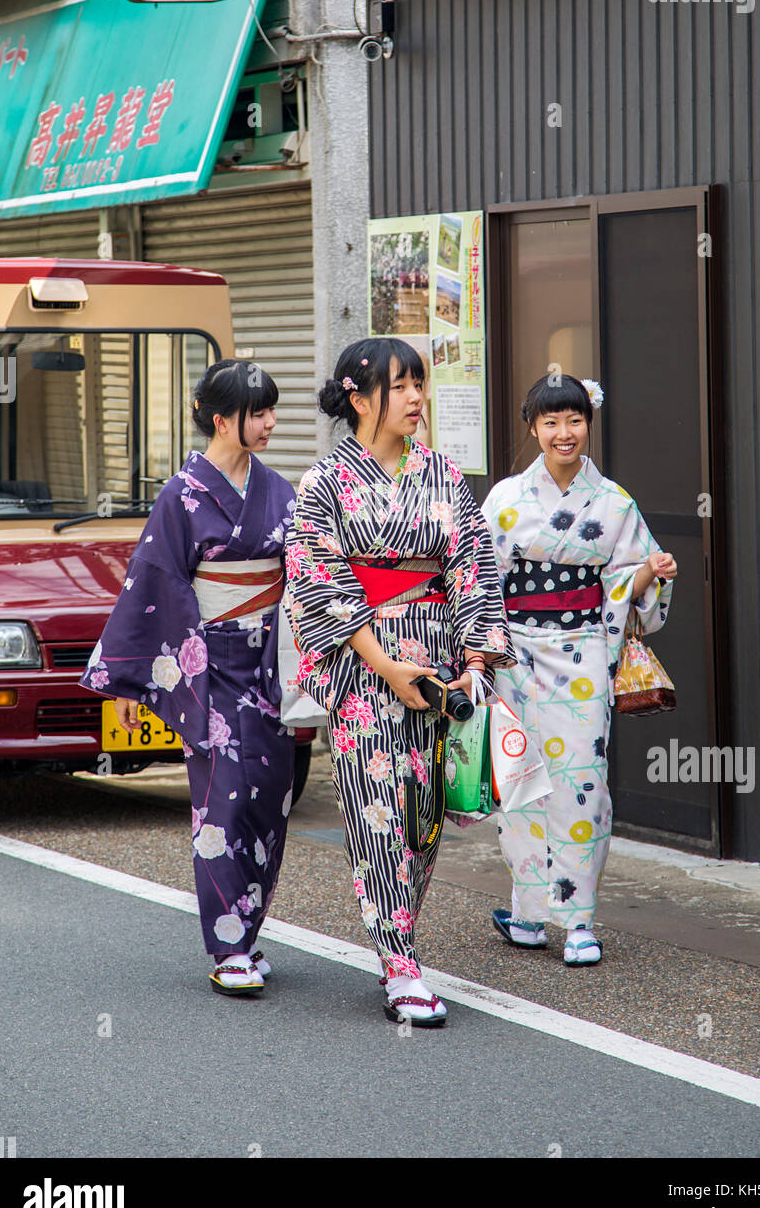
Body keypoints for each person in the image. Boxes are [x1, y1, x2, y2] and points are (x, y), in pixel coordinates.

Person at [284, 337, 514, 1026]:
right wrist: (386, 665)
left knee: (423, 816)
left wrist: (475, 665)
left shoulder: (442, 473)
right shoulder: (324, 483)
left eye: (421, 383)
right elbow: (316, 583)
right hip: (366, 669)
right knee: (378, 814)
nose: (417, 398)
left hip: (441, 667)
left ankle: (402, 937)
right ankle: (399, 961)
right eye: (402, 385)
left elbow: (473, 565)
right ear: (359, 398)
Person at [81, 360, 297, 997]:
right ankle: (226, 944)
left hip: (272, 663)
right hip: (213, 666)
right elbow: (153, 588)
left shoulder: (280, 489)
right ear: (223, 418)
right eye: (259, 413)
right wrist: (131, 687)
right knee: (222, 799)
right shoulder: (181, 495)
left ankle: (249, 932)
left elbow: (308, 576)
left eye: (271, 409)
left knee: (270, 796)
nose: (270, 423)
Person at [481, 374, 677, 966]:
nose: (564, 433)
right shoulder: (505, 498)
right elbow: (480, 582)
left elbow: (625, 580)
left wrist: (648, 575)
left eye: (574, 421)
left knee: (582, 780)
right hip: (514, 652)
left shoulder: (614, 501)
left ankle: (580, 920)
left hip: (584, 652)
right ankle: (527, 912)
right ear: (533, 428)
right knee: (518, 778)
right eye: (551, 423)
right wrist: (480, 652)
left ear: (587, 423)